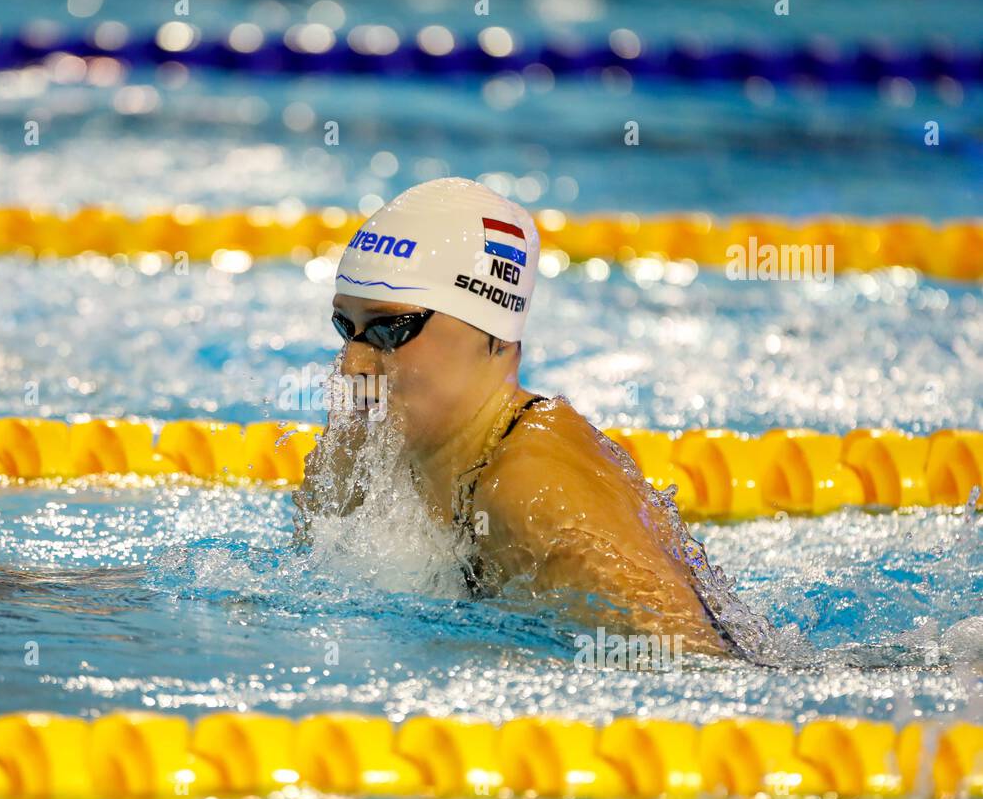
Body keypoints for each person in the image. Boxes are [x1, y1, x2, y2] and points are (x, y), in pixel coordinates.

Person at [294, 177, 739, 656]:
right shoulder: (366, 446)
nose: (352, 364)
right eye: (347, 328)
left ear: (494, 334)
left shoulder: (537, 495)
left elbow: (699, 671)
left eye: (389, 330)